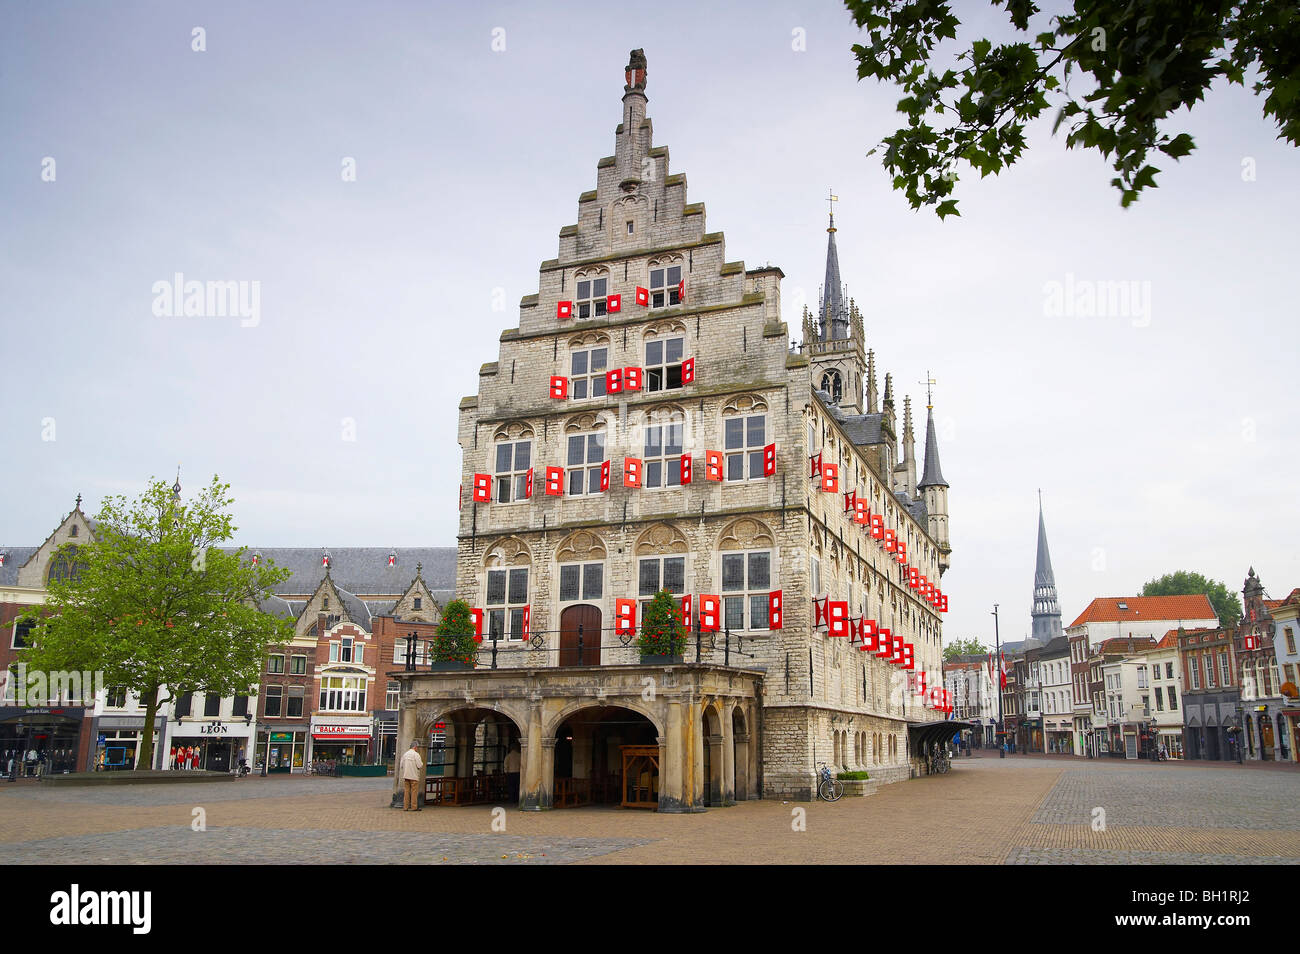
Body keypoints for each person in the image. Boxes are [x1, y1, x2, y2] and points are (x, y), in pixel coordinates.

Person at [400, 741, 425, 811]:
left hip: (406, 775)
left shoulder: (405, 754)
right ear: (415, 747)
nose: (417, 749)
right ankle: (414, 807)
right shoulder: (416, 755)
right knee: (414, 792)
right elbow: (419, 765)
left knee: (406, 792)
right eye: (417, 747)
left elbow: (401, 765)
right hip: (414, 776)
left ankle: (405, 807)